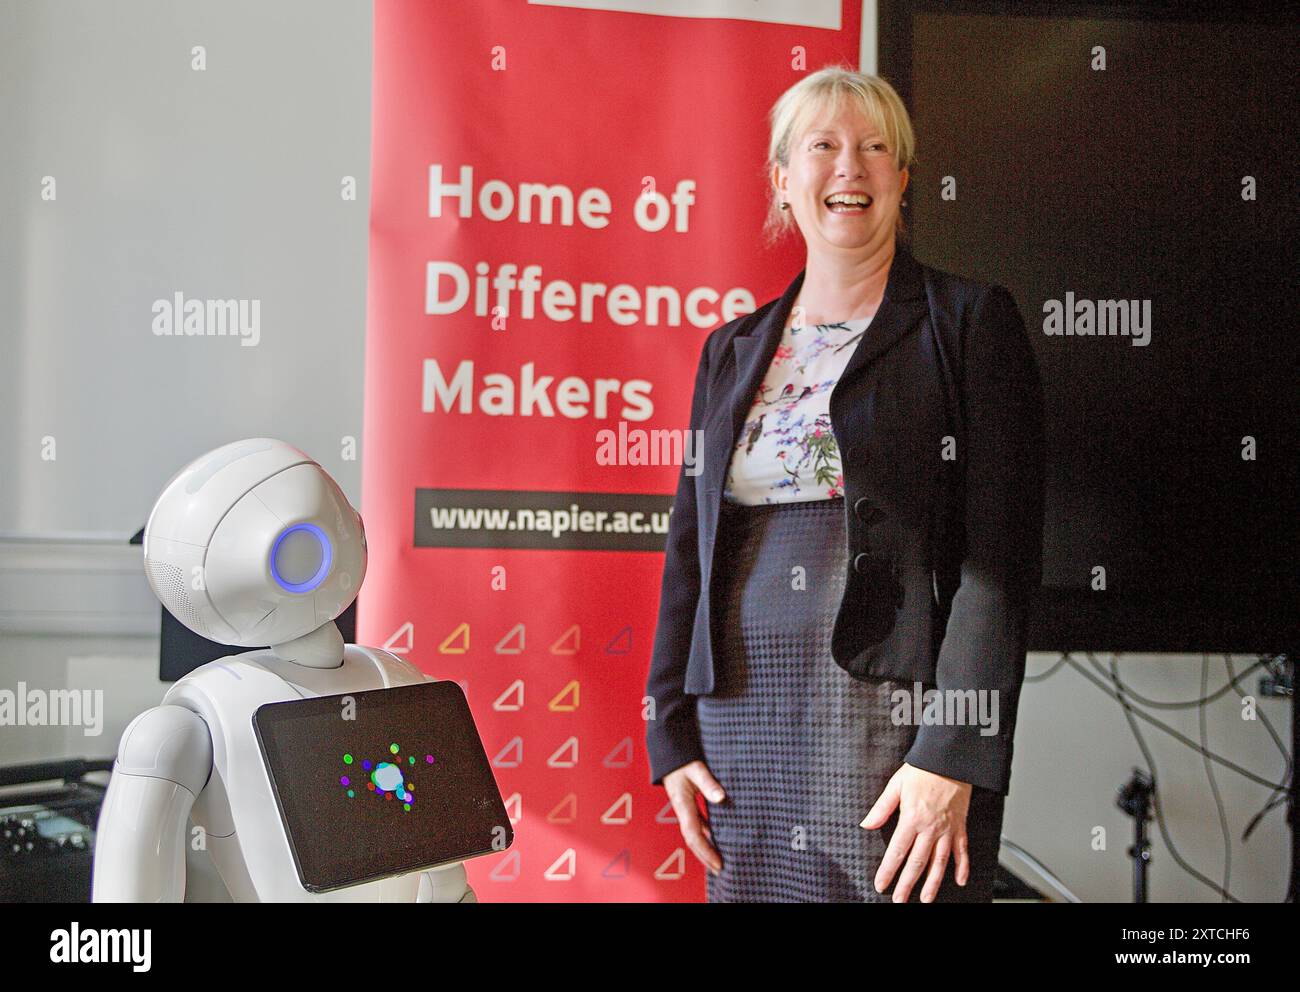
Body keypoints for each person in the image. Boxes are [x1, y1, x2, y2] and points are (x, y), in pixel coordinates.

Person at [644, 66, 1046, 903]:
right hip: (742, 717)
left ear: (903, 178)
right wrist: (669, 730)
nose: (849, 168)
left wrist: (953, 751)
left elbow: (999, 561)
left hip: (890, 721)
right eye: (823, 146)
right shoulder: (730, 349)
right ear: (783, 179)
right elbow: (690, 544)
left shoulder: (969, 323)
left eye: (874, 149)